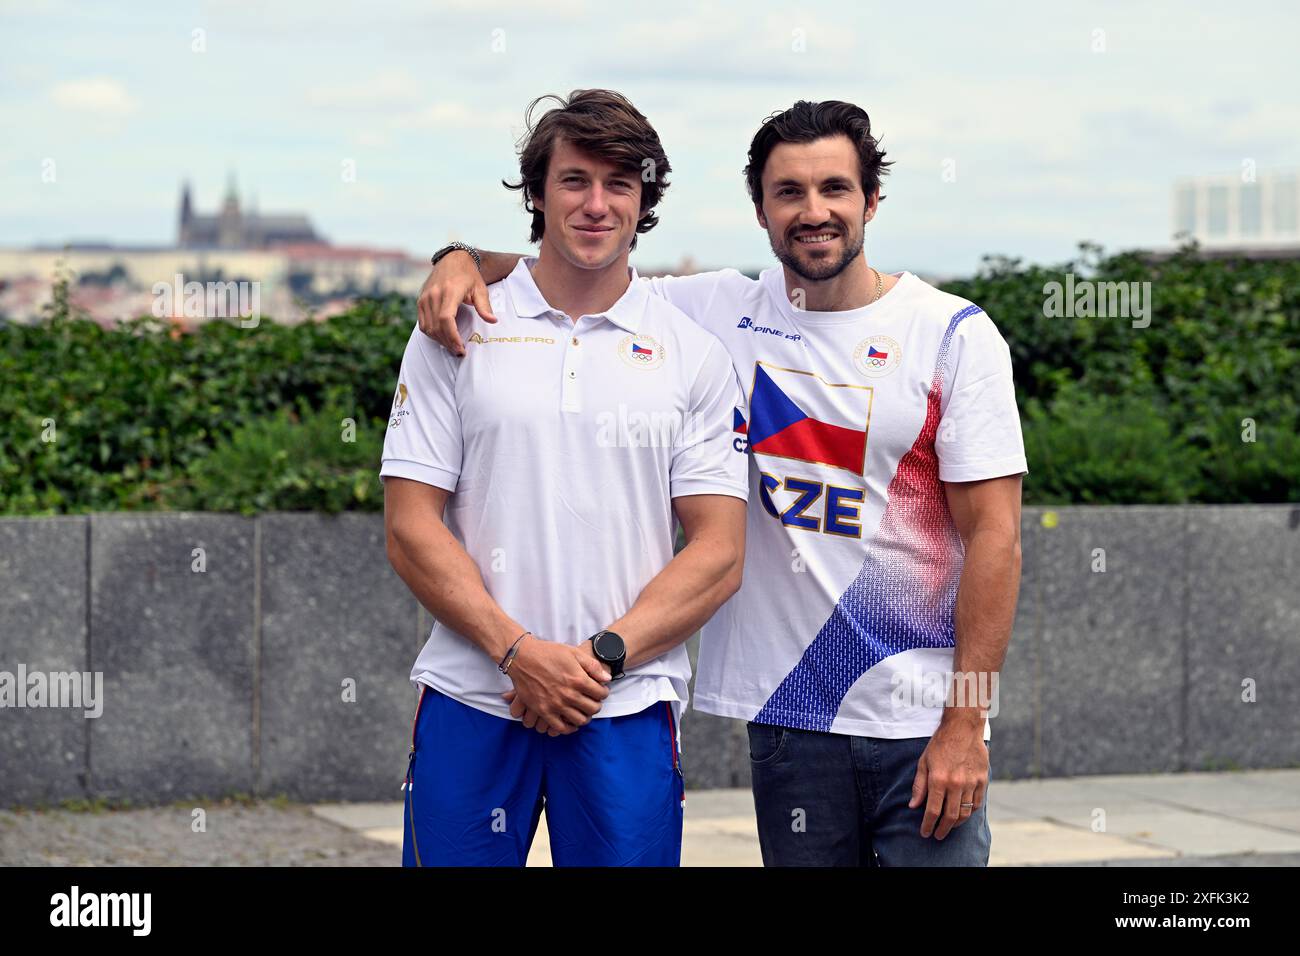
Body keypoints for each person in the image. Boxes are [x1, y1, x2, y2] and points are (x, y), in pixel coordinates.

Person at [417, 99, 1027, 867]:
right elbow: (575, 265)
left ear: (872, 200)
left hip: (920, 727)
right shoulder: (713, 312)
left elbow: (996, 540)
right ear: (761, 210)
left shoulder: (952, 336)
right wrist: (459, 257)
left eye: (835, 189)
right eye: (789, 193)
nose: (814, 212)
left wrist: (967, 725)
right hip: (788, 720)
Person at [381, 89, 749, 867]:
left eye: (620, 183)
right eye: (575, 180)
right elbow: (410, 526)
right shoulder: (460, 327)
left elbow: (719, 552)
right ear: (538, 193)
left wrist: (599, 659)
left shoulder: (693, 352)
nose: (596, 203)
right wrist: (518, 652)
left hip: (621, 702)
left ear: (644, 198)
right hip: (473, 695)